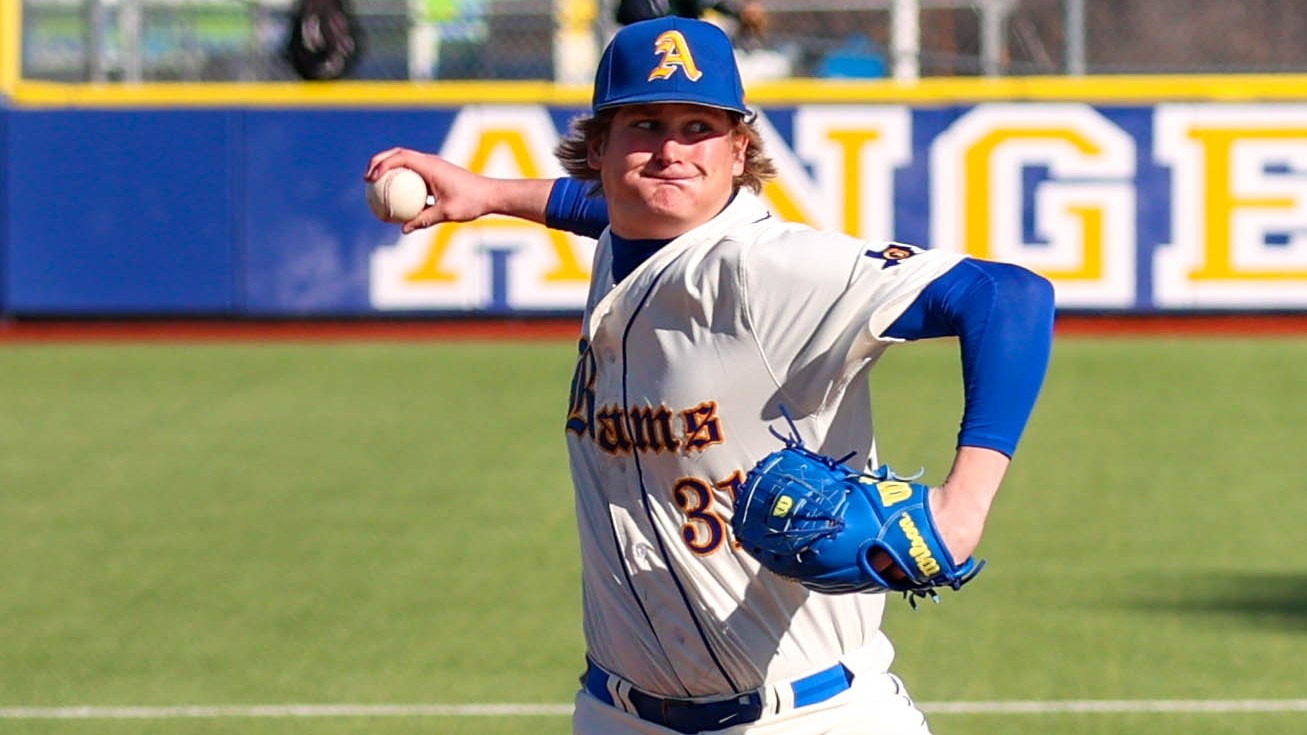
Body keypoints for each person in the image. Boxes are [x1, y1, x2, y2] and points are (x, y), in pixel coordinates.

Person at [365, 16, 1054, 735]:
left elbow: (1007, 296)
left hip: (807, 716)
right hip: (618, 713)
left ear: (738, 150)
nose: (670, 150)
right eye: (645, 124)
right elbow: (612, 211)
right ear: (598, 147)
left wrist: (960, 509)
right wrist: (490, 195)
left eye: (698, 128)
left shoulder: (764, 268)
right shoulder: (635, 238)